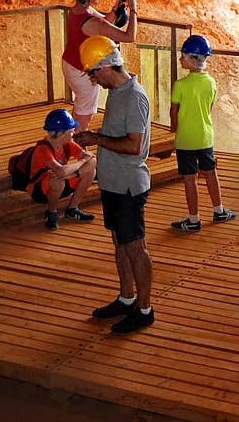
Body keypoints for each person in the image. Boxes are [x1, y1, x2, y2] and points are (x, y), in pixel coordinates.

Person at [74, 35, 155, 334]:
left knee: (136, 248)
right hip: (114, 183)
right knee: (120, 244)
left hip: (128, 185)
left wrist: (97, 139)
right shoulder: (118, 93)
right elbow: (119, 134)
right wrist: (98, 137)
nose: (93, 79)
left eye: (93, 73)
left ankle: (144, 310)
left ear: (106, 66)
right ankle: (126, 298)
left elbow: (134, 145)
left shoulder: (134, 97)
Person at [169, 34, 237, 230]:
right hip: (206, 136)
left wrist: (175, 128)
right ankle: (219, 210)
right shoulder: (211, 83)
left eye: (183, 56)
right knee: (210, 173)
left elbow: (174, 111)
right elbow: (209, 108)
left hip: (186, 139)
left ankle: (193, 219)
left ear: (192, 59)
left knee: (190, 178)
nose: (181, 60)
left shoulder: (181, 85)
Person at [61, 0, 138, 131]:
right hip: (82, 70)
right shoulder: (91, 20)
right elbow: (129, 36)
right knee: (85, 111)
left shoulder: (78, 10)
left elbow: (101, 23)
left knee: (81, 104)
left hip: (71, 62)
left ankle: (71, 140)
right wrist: (134, 11)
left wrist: (114, 12)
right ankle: (78, 143)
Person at [27, 108, 97, 230]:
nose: (74, 133)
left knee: (91, 171)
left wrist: (72, 175)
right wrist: (82, 161)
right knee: (57, 180)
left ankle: (72, 209)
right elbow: (61, 171)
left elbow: (93, 160)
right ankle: (51, 212)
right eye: (71, 131)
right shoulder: (43, 149)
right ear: (60, 133)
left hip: (62, 181)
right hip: (40, 190)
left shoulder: (68, 143)